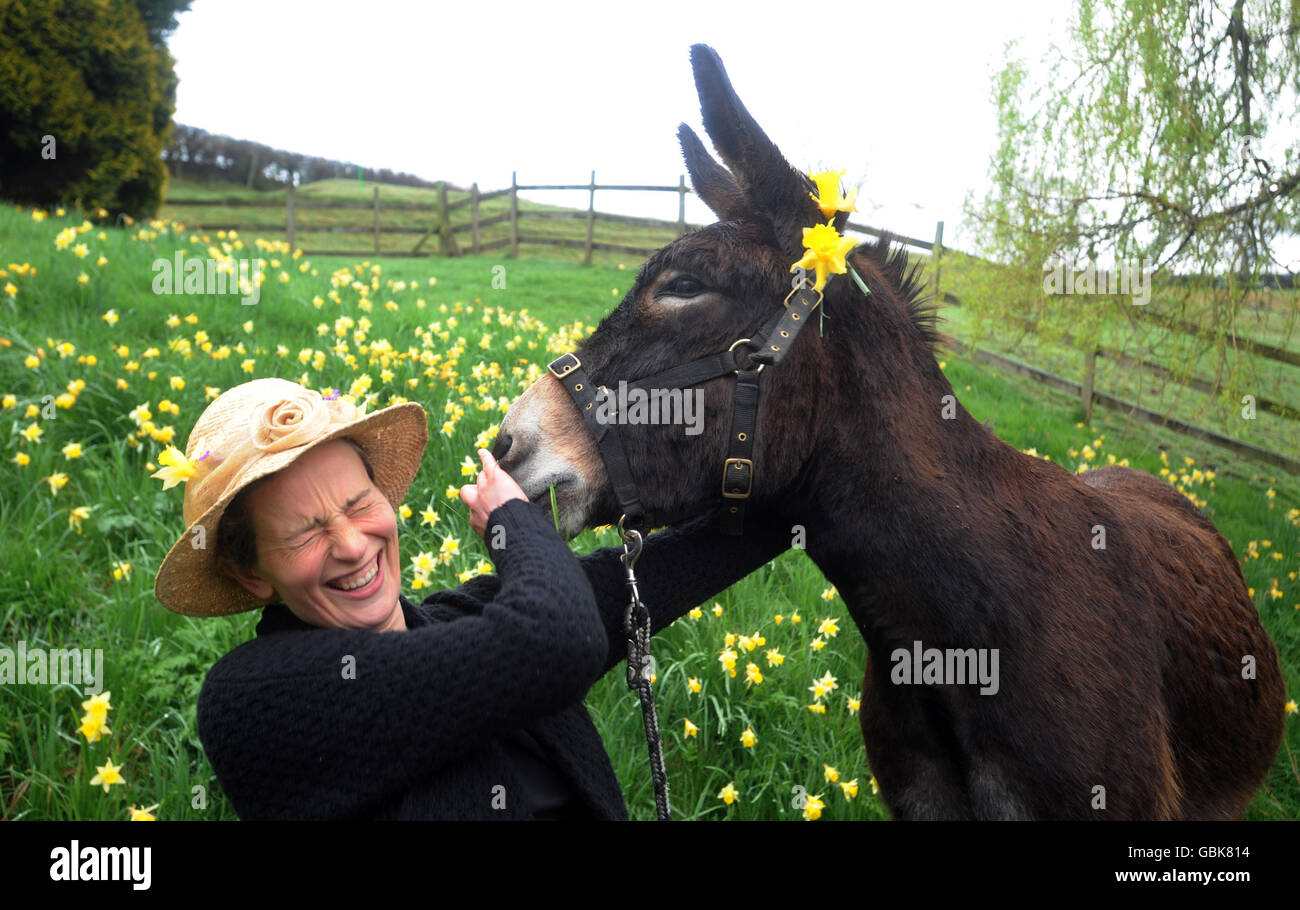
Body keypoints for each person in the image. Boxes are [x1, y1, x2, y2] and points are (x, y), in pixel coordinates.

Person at [153, 377, 792, 819]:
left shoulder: (454, 621)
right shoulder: (255, 702)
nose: (351, 544)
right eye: (305, 534)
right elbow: (554, 640)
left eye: (359, 505)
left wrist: (806, 498)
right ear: (252, 576)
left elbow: (625, 586)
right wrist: (514, 523)